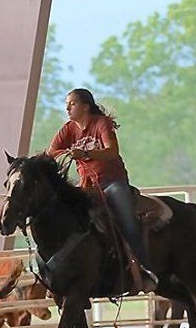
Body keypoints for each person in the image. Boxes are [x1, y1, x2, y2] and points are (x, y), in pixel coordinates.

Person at [47, 88, 155, 293]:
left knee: (127, 222)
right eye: (67, 104)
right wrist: (64, 154)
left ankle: (145, 268)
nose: (67, 107)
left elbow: (112, 152)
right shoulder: (68, 129)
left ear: (86, 106)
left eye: (72, 103)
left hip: (112, 182)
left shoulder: (101, 123)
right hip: (87, 185)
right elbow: (50, 153)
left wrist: (84, 153)